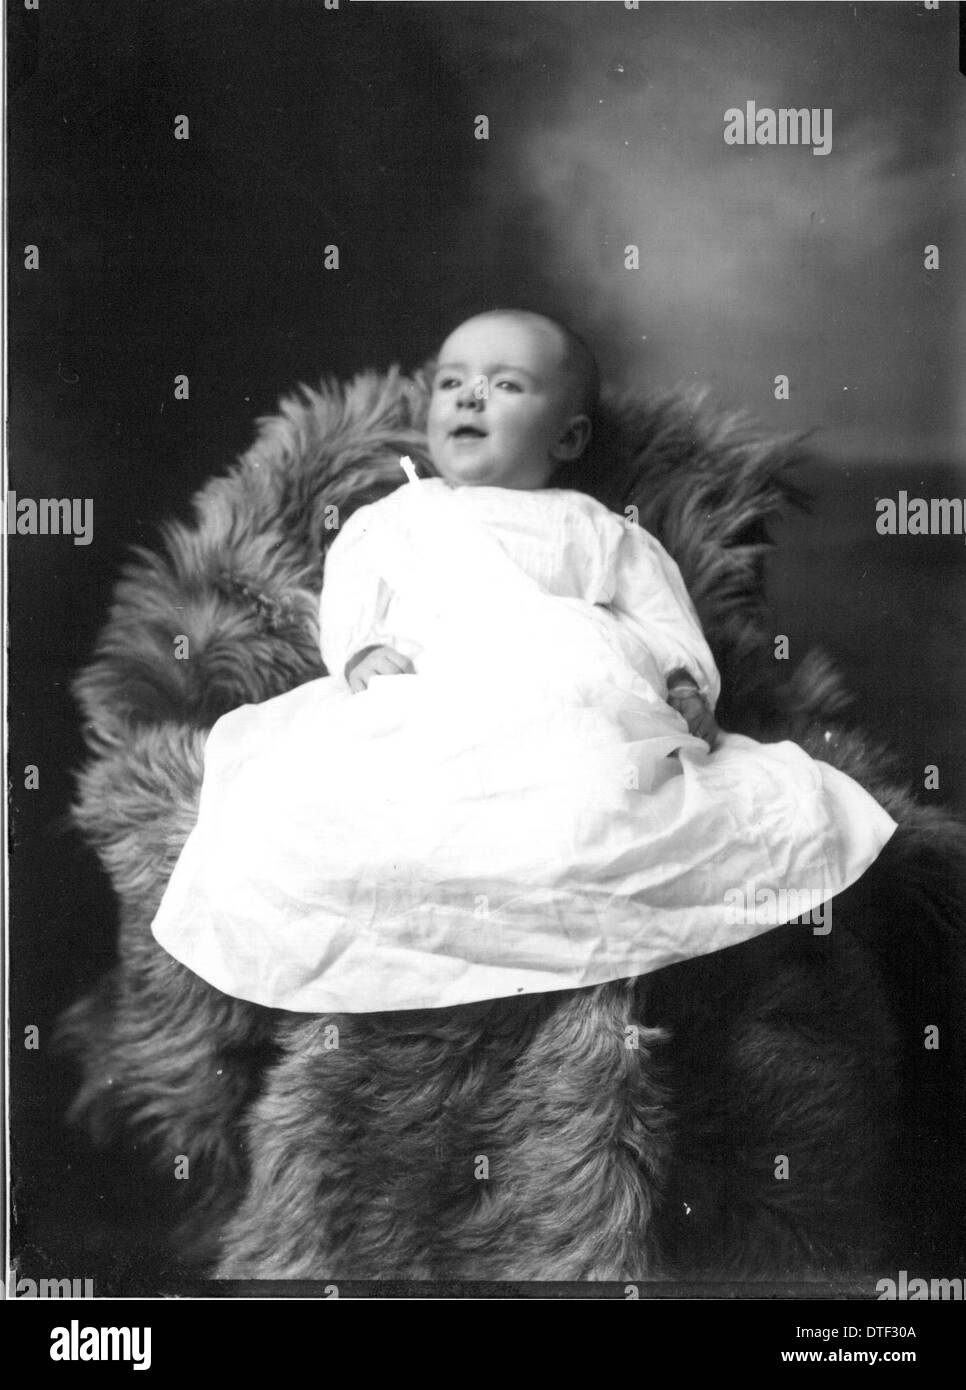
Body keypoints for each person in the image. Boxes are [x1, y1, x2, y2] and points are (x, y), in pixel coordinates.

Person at [150, 309, 897, 1012]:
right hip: (439, 684)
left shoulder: (597, 528)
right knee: (356, 798)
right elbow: (353, 603)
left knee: (605, 777)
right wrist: (363, 655)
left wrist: (682, 680)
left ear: (567, 439)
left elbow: (660, 616)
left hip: (577, 684)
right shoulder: (396, 519)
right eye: (452, 382)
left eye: (505, 385)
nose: (470, 395)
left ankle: (567, 875)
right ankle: (455, 888)